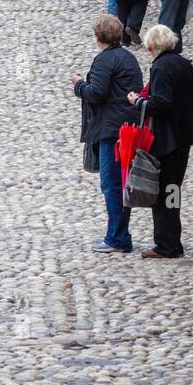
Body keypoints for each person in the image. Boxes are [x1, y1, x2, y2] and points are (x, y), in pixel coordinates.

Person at [126, 24, 193, 258]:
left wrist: (137, 101)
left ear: (150, 47)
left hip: (167, 140)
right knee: (173, 189)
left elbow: (161, 103)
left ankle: (166, 243)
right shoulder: (184, 63)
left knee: (162, 191)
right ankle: (172, 240)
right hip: (183, 138)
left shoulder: (160, 68)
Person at [72, 15, 143, 254]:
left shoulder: (105, 60)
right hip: (127, 126)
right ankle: (119, 234)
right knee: (120, 183)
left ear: (98, 36)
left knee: (112, 184)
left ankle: (117, 237)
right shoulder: (129, 58)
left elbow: (96, 92)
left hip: (111, 129)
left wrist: (79, 85)